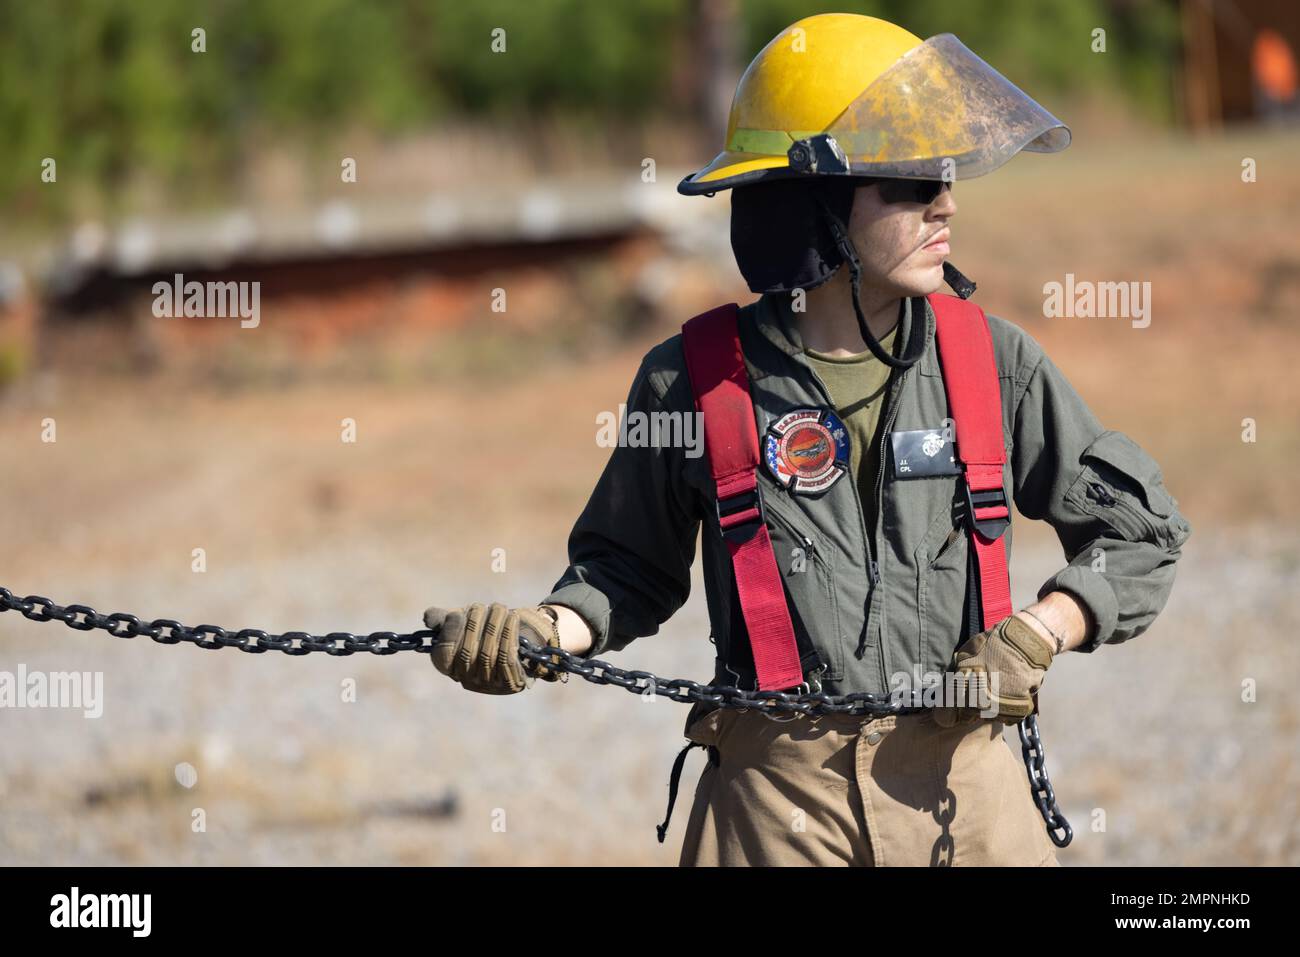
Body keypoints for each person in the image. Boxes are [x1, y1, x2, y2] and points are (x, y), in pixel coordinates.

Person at [422, 13, 1191, 866]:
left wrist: (1040, 631)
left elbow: (1141, 530)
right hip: (771, 815)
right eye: (907, 182)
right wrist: (536, 632)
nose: (947, 202)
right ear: (814, 206)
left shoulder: (994, 363)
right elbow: (624, 570)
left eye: (944, 176)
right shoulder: (692, 378)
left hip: (963, 807)